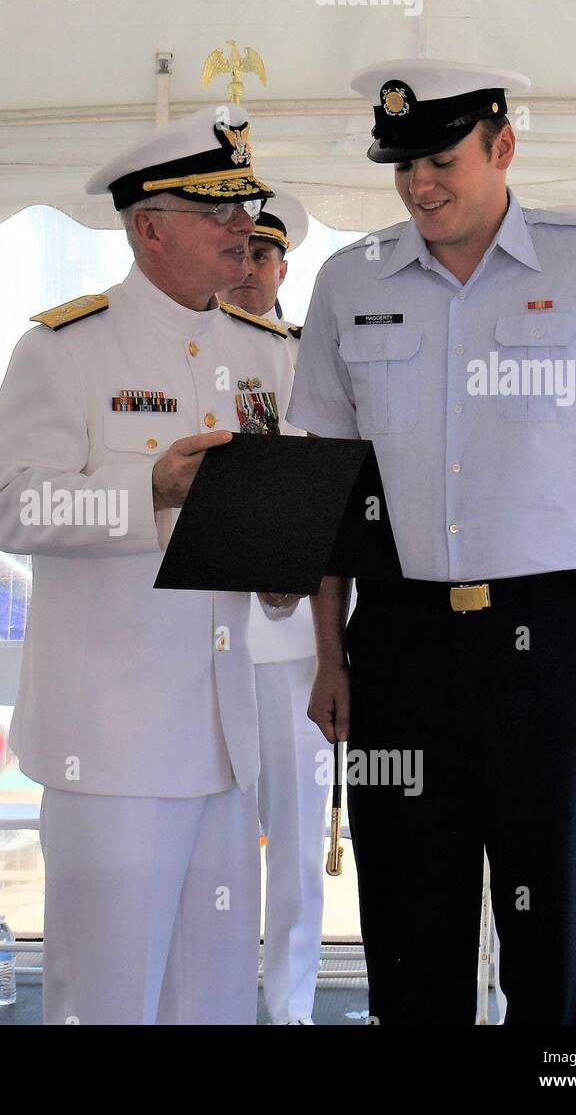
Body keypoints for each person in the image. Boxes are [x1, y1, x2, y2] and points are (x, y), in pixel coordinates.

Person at [289, 60, 576, 1025]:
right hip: (399, 649)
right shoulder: (350, 281)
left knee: (552, 950)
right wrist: (330, 654)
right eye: (401, 166)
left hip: (550, 647)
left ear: (502, 147)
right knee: (407, 941)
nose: (418, 184)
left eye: (439, 159)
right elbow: (328, 490)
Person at [0, 104, 300, 1025]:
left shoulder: (266, 354)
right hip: (109, 746)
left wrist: (284, 572)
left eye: (247, 208)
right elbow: (10, 504)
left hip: (225, 734)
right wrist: (149, 483)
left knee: (214, 1004)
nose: (244, 228)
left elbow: (270, 514)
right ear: (147, 225)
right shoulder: (64, 348)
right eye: (218, 210)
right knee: (109, 1003)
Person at [221, 201, 330, 1025]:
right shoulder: (181, 350)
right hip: (196, 635)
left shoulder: (308, 361)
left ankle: (288, 1004)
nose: (250, 266)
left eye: (265, 252)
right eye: (240, 249)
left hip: (295, 637)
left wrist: (292, 568)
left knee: (293, 838)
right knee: (215, 838)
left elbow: (335, 483)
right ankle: (217, 996)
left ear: (285, 268)